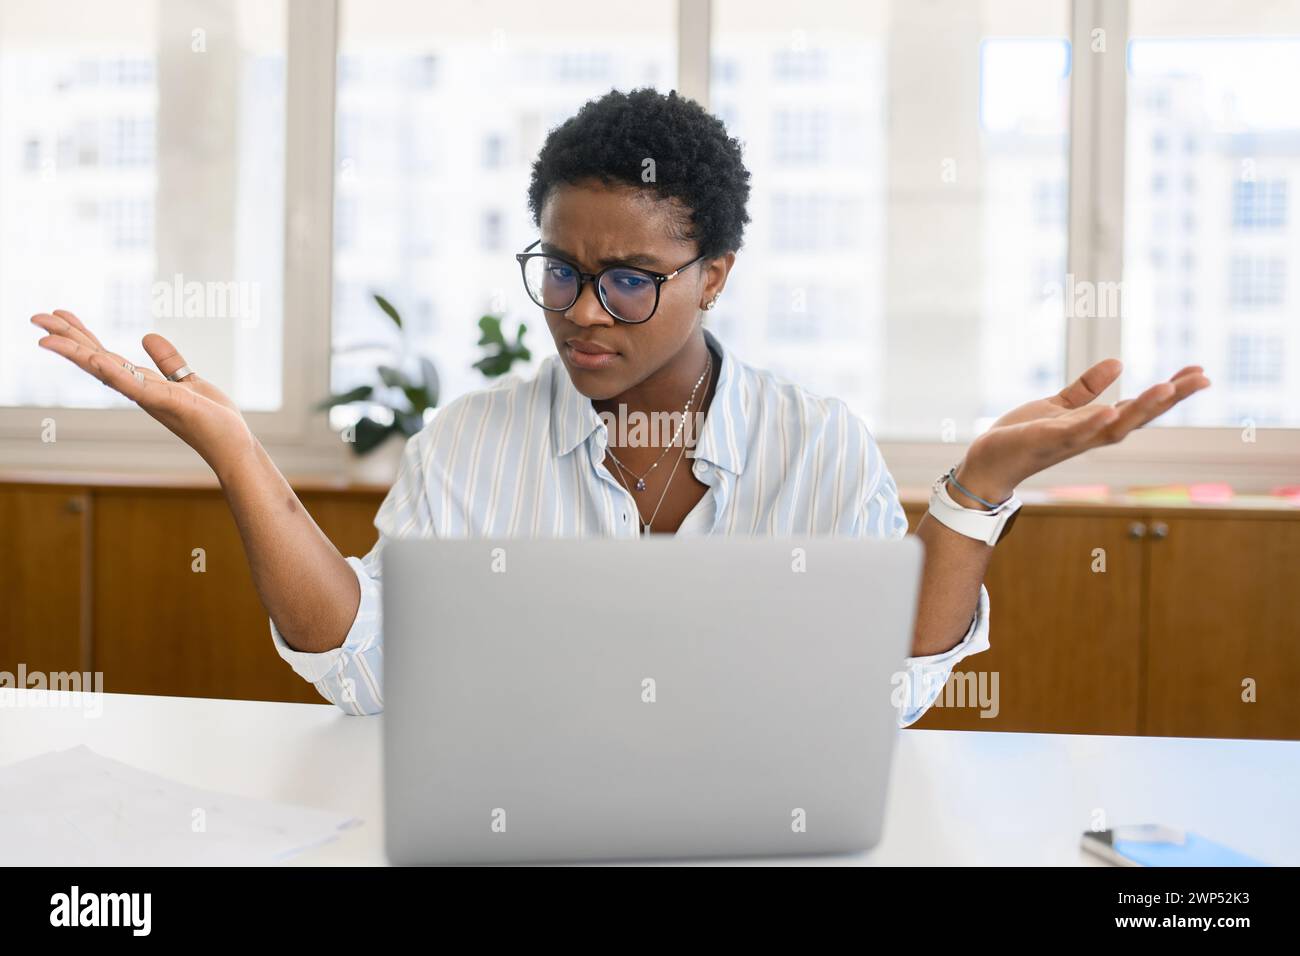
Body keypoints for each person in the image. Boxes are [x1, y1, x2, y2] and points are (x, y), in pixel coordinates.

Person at [32, 88, 1209, 724]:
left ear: (715, 275)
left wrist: (976, 491)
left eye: (629, 280)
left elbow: (879, 692)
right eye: (558, 268)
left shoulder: (816, 443)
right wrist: (238, 451)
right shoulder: (470, 443)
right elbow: (368, 666)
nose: (583, 313)